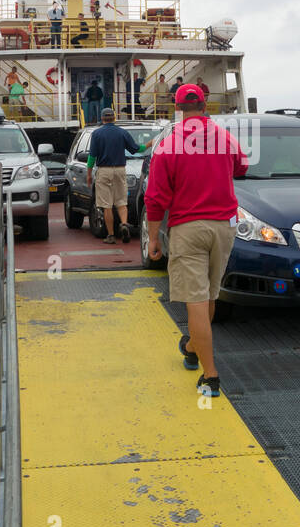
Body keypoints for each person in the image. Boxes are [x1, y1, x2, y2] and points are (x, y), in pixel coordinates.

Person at [144, 84, 248, 398]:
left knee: (196, 300)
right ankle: (191, 348)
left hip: (188, 227)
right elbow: (242, 166)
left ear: (178, 108)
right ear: (205, 106)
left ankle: (211, 377)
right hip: (224, 226)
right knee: (209, 295)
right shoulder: (225, 138)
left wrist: (152, 239)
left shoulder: (169, 144)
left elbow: (155, 198)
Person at [86, 107, 142, 244]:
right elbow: (135, 149)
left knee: (107, 205)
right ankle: (123, 224)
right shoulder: (122, 132)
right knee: (122, 202)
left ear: (102, 118)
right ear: (114, 117)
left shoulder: (97, 134)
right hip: (120, 169)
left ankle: (111, 235)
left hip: (104, 170)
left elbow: (92, 157)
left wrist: (89, 174)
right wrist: (150, 143)